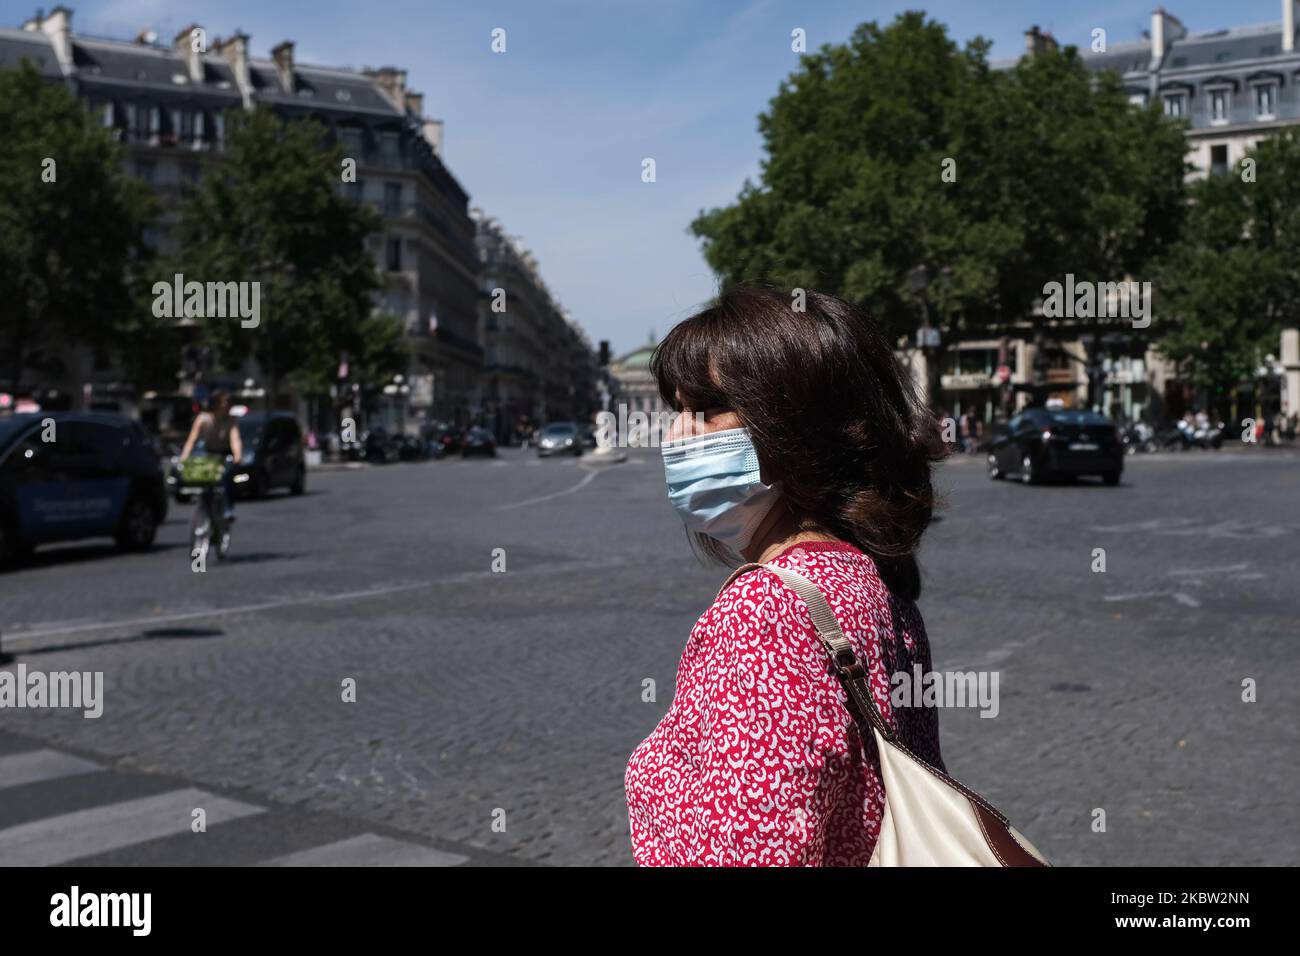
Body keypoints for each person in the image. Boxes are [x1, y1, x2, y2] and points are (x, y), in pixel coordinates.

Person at [625, 287, 947, 866]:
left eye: (704, 409)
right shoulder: (873, 580)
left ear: (790, 429)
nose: (677, 436)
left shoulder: (766, 613)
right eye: (677, 412)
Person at [180, 389, 243, 521]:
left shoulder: (231, 420)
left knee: (226, 478)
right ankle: (206, 508)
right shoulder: (203, 419)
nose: (228, 405)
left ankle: (228, 509)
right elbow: (192, 440)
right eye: (225, 402)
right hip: (209, 453)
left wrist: (238, 455)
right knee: (204, 480)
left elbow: (235, 439)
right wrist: (184, 457)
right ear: (216, 403)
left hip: (225, 454)